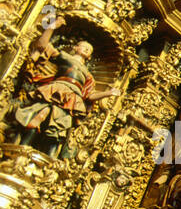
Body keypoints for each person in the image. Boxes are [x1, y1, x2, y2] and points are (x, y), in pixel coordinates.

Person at [8, 18, 119, 156]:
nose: (86, 49)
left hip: (72, 99)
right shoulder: (65, 57)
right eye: (83, 46)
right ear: (75, 48)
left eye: (89, 49)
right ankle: (20, 149)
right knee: (38, 114)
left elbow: (89, 95)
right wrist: (52, 27)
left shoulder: (88, 76)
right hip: (55, 90)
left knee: (59, 129)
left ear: (90, 56)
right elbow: (42, 45)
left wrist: (108, 93)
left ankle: (49, 161)